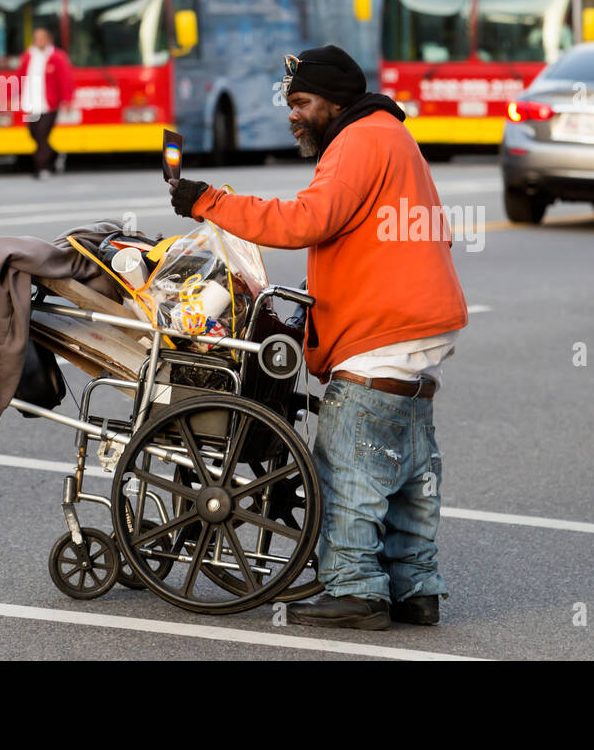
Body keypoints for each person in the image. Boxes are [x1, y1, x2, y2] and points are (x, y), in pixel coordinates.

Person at [168, 44, 469, 630]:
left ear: (334, 101)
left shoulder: (359, 140)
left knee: (350, 466)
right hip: (417, 328)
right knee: (405, 467)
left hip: (381, 333)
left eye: (302, 102)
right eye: (289, 102)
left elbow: (307, 218)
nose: (292, 113)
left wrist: (211, 202)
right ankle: (416, 586)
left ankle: (356, 590)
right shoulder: (392, 136)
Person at [18, 26, 74, 179]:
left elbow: (65, 79)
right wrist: (13, 94)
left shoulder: (57, 57)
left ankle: (42, 168)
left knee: (42, 134)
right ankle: (55, 155)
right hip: (31, 102)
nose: (39, 41)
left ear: (49, 40)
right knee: (33, 132)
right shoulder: (29, 56)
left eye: (42, 38)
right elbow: (20, 75)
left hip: (49, 103)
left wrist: (67, 99)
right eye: (37, 39)